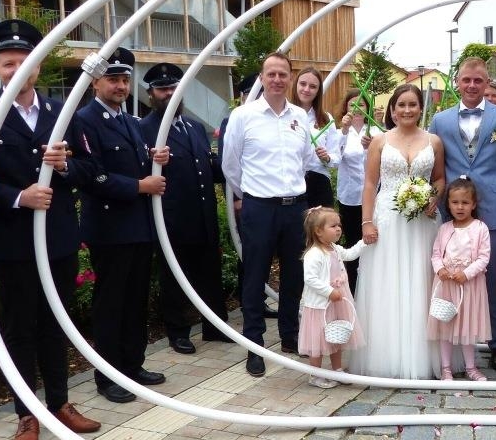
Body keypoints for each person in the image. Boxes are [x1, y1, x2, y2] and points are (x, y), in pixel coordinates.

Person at [0, 19, 100, 440]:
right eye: (8, 63)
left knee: (56, 321)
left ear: (37, 66)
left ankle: (59, 403)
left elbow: (88, 172)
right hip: (12, 239)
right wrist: (18, 196)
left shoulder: (63, 112)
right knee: (20, 328)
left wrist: (63, 168)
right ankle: (26, 414)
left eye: (25, 61)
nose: (17, 69)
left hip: (55, 239)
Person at [75, 47, 170, 403]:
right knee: (111, 304)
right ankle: (109, 374)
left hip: (139, 227)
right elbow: (91, 175)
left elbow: (139, 164)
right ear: (96, 81)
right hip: (111, 229)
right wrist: (138, 186)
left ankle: (132, 365)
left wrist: (155, 160)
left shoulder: (130, 121)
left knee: (135, 300)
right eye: (113, 79)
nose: (120, 85)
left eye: (125, 79)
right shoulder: (85, 120)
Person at [429, 58, 496, 371]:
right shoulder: (441, 120)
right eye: (466, 80)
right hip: (453, 208)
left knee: (495, 279)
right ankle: (456, 344)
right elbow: (432, 165)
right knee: (452, 275)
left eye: (478, 81)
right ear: (457, 82)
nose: (472, 86)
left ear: (487, 84)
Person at [222, 52, 315, 377]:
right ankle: (255, 346)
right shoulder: (243, 116)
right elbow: (230, 166)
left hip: (295, 208)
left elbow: (304, 159)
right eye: (271, 74)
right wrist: (251, 192)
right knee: (255, 276)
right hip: (259, 208)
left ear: (290, 78)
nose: (277, 80)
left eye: (282, 74)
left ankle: (290, 336)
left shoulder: (300, 117)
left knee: (294, 276)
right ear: (262, 78)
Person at [137, 63, 231, 356]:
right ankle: (178, 332)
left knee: (209, 274)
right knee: (175, 279)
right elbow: (140, 173)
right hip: (172, 221)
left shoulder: (193, 127)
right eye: (162, 89)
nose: (169, 94)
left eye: (174, 88)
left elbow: (209, 168)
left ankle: (215, 326)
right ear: (151, 93)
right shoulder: (144, 129)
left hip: (203, 218)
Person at [352, 85, 444, 379]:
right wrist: (367, 222)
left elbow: (440, 178)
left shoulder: (434, 141)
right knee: (387, 283)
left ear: (420, 109)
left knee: (420, 281)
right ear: (392, 110)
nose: (407, 110)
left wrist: (434, 197)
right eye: (401, 105)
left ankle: (423, 354)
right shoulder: (379, 141)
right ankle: (386, 354)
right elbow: (369, 185)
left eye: (412, 105)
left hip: (423, 223)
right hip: (387, 220)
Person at [429, 177, 491, 382]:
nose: (460, 207)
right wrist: (440, 270)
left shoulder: (480, 228)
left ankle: (471, 367)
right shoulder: (444, 228)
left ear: (473, 204)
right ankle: (446, 367)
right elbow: (436, 254)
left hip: (469, 285)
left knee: (467, 328)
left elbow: (484, 257)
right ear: (448, 204)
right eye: (455, 202)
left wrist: (467, 273)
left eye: (465, 202)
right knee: (446, 327)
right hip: (447, 285)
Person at [299, 206, 366, 388]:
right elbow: (310, 279)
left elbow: (350, 255)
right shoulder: (314, 254)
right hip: (320, 305)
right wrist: (329, 292)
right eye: (333, 226)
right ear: (318, 231)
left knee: (336, 337)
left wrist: (364, 242)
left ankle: (337, 370)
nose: (338, 229)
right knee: (319, 342)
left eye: (339, 225)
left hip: (336, 303)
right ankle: (316, 374)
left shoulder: (334, 249)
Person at [336, 88, 370, 292]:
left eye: (361, 104)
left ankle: (369, 287)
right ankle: (352, 288)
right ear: (346, 108)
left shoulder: (375, 131)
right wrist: (344, 131)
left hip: (372, 197)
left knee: (369, 242)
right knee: (351, 243)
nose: (357, 109)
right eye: (352, 105)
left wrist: (371, 148)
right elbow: (334, 158)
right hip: (349, 197)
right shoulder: (339, 132)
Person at [294, 67, 341, 208]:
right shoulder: (285, 115)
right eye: (303, 84)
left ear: (318, 91)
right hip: (292, 183)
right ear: (296, 84)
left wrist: (326, 158)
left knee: (320, 229)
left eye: (313, 86)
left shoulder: (326, 119)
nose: (307, 89)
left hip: (319, 184)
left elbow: (336, 158)